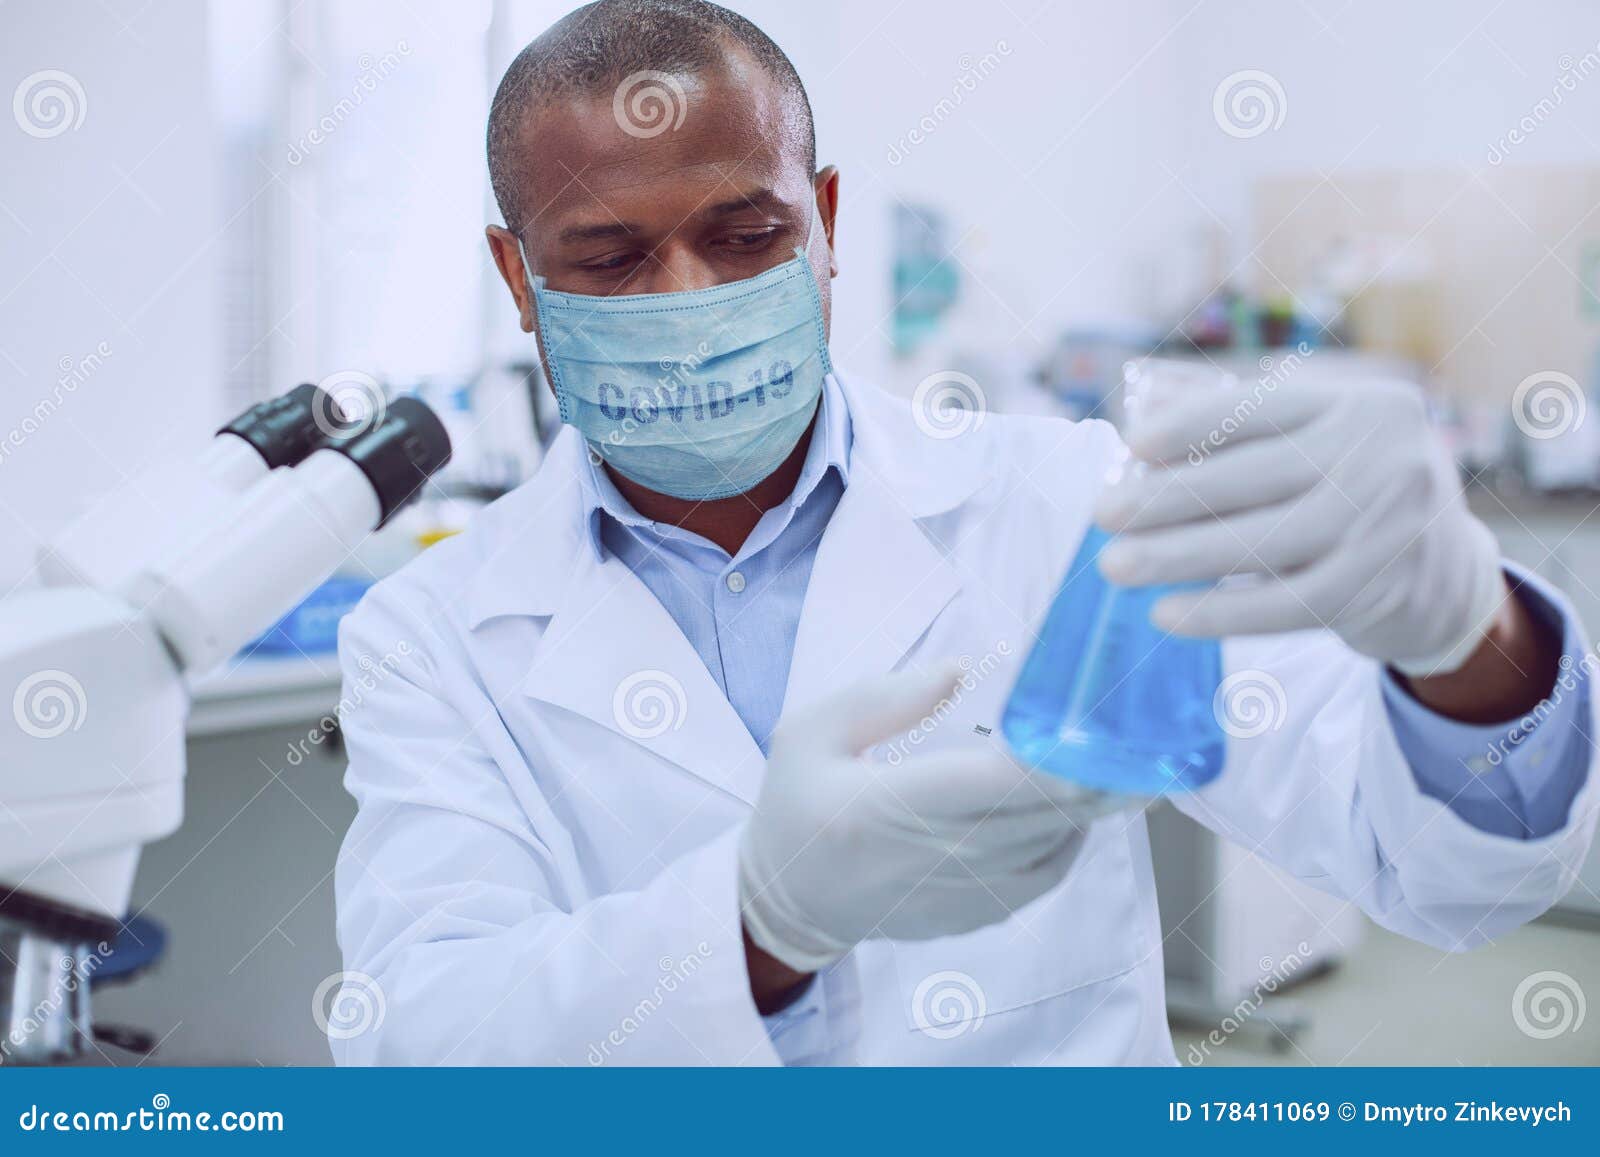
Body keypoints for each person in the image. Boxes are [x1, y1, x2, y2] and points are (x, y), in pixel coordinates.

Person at [329, 0, 1598, 1065]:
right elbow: (419, 1036)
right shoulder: (430, 633)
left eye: (746, 234)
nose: (690, 297)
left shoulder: (1064, 500)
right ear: (516, 275)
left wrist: (1470, 647)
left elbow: (1446, 873)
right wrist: (756, 925)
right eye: (607, 258)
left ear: (823, 217)